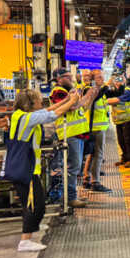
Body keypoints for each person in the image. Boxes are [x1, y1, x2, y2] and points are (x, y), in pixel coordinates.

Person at [10, 88, 80, 251]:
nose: (42, 102)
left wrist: (66, 100)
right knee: (35, 205)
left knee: (33, 202)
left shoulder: (19, 115)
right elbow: (50, 115)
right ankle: (25, 240)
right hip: (26, 169)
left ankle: (30, 229)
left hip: (22, 167)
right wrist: (72, 101)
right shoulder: (28, 119)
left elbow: (45, 111)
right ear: (31, 103)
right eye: (38, 99)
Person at [50, 68, 99, 208]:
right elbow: (71, 107)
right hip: (69, 133)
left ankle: (72, 196)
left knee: (75, 167)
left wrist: (91, 97)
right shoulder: (58, 91)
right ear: (59, 78)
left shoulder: (69, 92)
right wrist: (86, 95)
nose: (71, 78)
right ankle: (70, 198)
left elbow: (81, 108)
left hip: (77, 133)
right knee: (73, 167)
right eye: (67, 76)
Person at [82, 69, 111, 192]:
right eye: (99, 77)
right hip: (94, 127)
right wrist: (106, 85)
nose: (102, 79)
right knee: (98, 154)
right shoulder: (91, 90)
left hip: (97, 127)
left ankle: (86, 178)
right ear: (93, 80)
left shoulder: (97, 90)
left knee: (93, 153)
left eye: (102, 77)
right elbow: (99, 93)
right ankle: (95, 182)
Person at [107, 74, 130, 168]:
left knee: (128, 140)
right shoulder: (115, 91)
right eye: (116, 80)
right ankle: (125, 158)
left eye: (120, 79)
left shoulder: (128, 91)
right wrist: (108, 84)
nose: (118, 82)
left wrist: (105, 101)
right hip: (119, 120)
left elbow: (117, 100)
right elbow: (106, 93)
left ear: (124, 80)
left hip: (128, 119)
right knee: (121, 141)